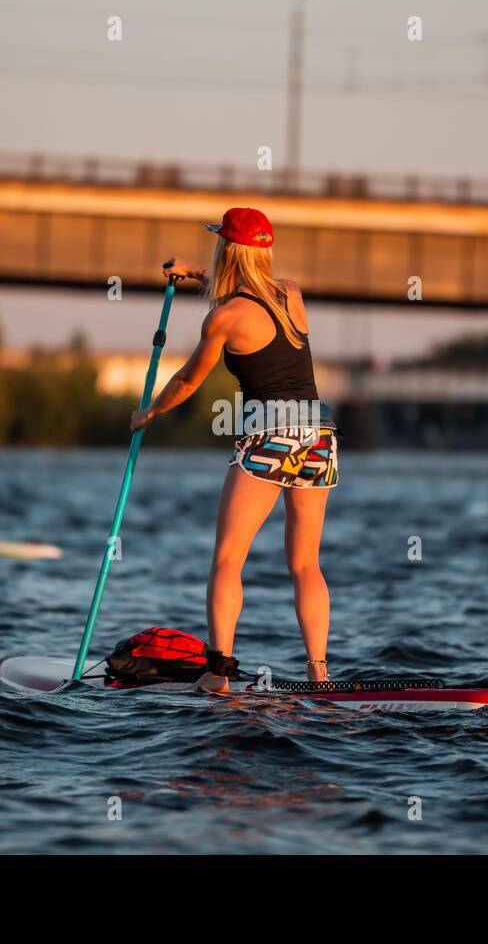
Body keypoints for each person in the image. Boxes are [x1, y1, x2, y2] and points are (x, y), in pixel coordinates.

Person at [129, 207, 338, 691]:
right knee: (306, 562)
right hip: (319, 436)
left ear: (226, 249)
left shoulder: (223, 319)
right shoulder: (292, 295)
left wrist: (150, 414)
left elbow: (186, 381)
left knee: (228, 559)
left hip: (270, 436)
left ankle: (218, 675)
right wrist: (197, 273)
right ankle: (320, 673)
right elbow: (244, 285)